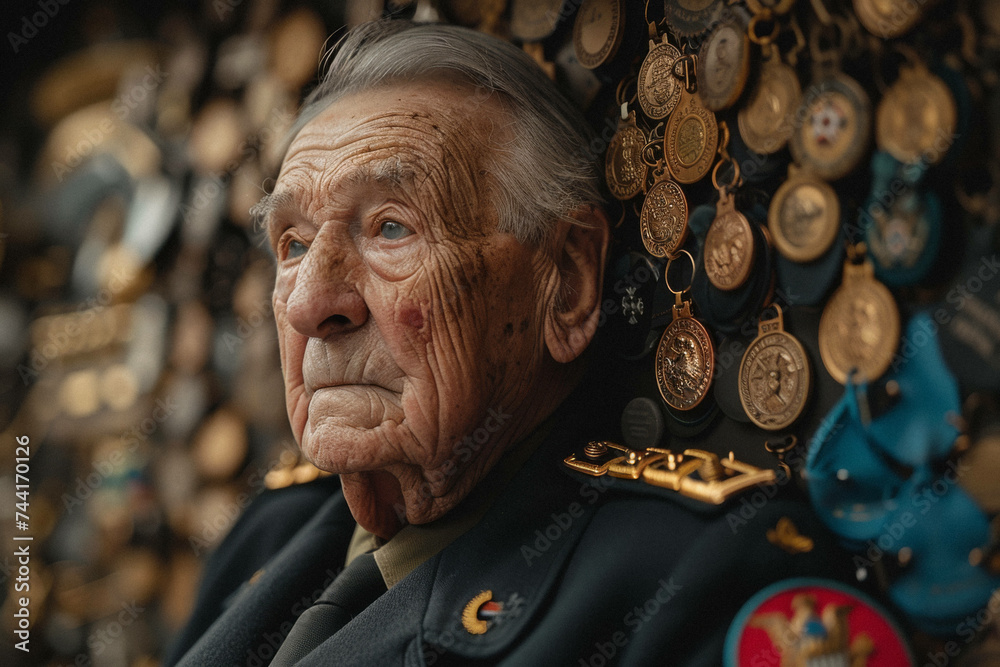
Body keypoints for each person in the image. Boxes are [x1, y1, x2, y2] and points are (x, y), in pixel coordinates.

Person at [166, 20, 847, 667]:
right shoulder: (267, 532)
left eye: (391, 228)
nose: (313, 301)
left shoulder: (692, 575)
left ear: (570, 283)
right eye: (294, 244)